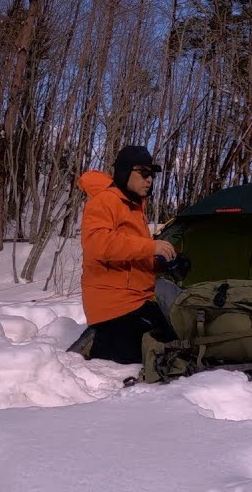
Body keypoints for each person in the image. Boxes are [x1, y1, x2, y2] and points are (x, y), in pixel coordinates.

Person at [76, 144, 178, 364]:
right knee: (153, 357)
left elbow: (131, 252)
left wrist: (160, 263)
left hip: (137, 300)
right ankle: (97, 340)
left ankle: (106, 339)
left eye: (151, 174)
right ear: (124, 172)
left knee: (174, 342)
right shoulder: (104, 201)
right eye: (144, 173)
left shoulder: (134, 206)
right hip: (113, 305)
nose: (149, 179)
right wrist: (151, 247)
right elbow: (97, 244)